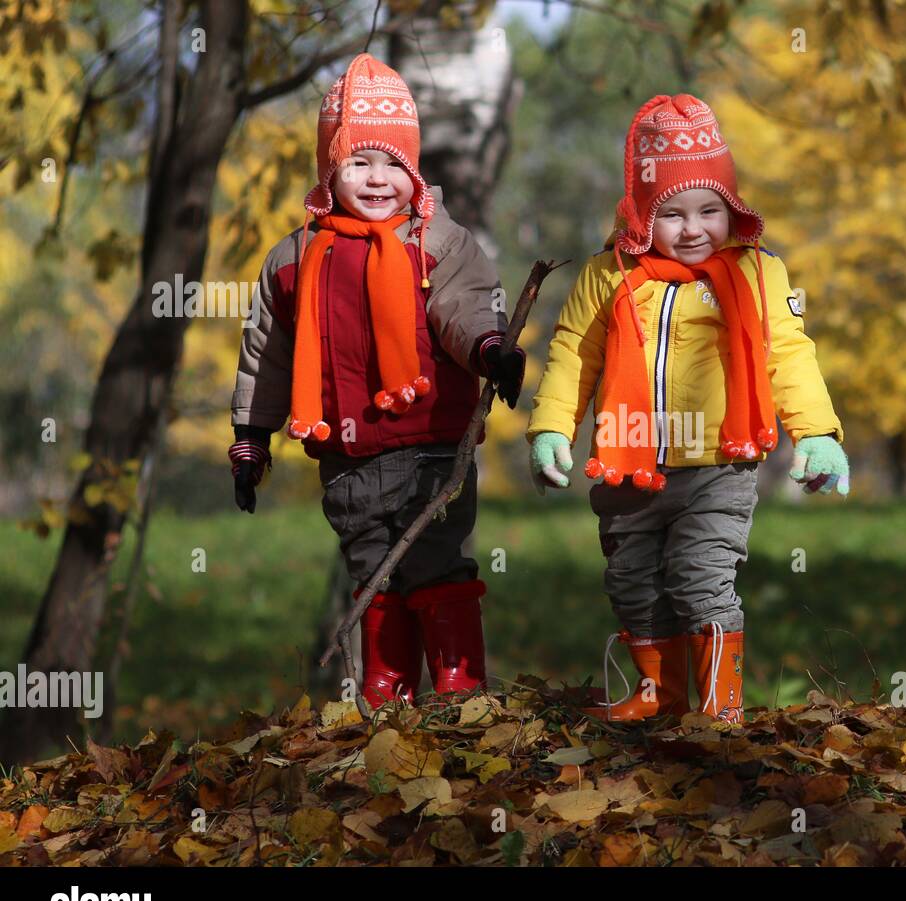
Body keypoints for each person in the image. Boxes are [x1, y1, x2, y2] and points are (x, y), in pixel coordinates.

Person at [526, 94, 849, 724]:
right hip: (628, 460)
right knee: (632, 584)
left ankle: (717, 707)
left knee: (700, 581)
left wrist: (816, 433)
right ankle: (659, 695)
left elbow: (790, 355)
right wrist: (549, 426)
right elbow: (573, 353)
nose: (694, 227)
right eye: (673, 214)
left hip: (719, 469)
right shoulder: (608, 275)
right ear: (644, 216)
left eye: (710, 210)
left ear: (732, 210)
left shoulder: (757, 274)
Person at [226, 54, 524, 709]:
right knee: (373, 569)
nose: (378, 178)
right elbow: (268, 353)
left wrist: (490, 349)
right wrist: (251, 436)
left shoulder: (435, 242)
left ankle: (460, 684)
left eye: (393, 163)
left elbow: (464, 306)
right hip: (347, 454)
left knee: (436, 559)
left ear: (414, 169)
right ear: (329, 170)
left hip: (431, 444)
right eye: (359, 163)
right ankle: (387, 692)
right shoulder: (297, 257)